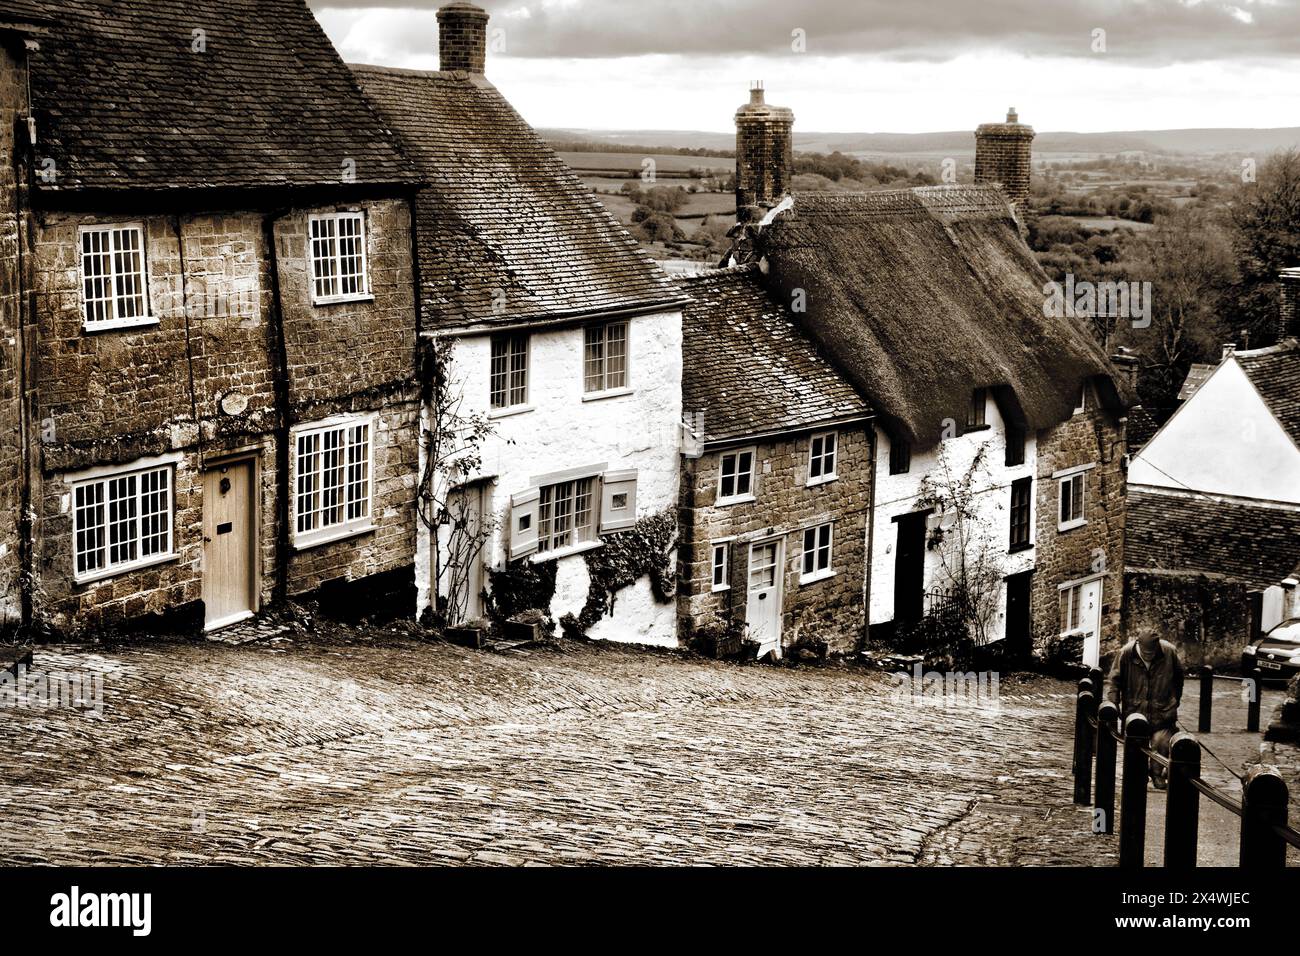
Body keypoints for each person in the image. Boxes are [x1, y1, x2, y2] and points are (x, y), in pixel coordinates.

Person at [1104, 632, 1185, 790]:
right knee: (1135, 749)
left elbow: (1179, 678)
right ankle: (1138, 777)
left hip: (1162, 711)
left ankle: (1156, 774)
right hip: (1135, 711)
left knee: (1161, 743)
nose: (1148, 656)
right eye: (1145, 653)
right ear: (1138, 645)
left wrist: (1174, 701)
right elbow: (1114, 681)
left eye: (1152, 653)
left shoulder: (1169, 652)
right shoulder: (1125, 653)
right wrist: (1114, 705)